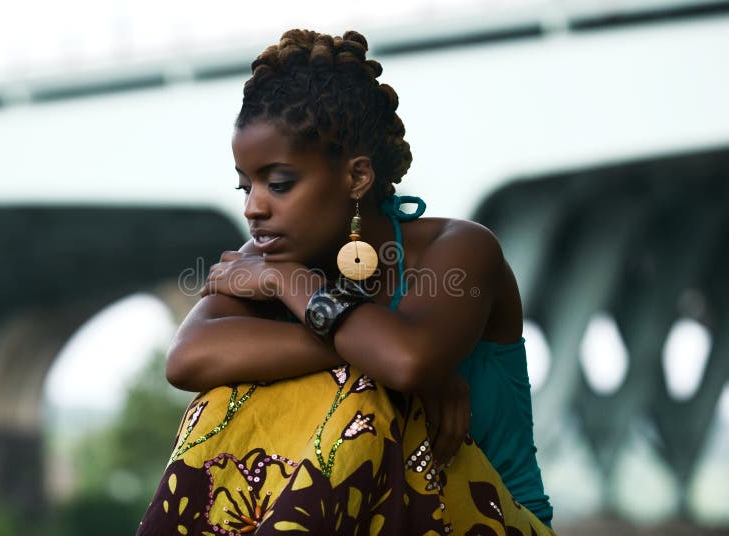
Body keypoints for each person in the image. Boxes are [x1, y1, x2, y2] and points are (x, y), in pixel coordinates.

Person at [136, 29, 554, 535]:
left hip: (490, 521)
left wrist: (289, 283)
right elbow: (188, 358)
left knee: (363, 392)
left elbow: (406, 360)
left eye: (279, 184)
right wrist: (375, 357)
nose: (253, 208)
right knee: (226, 396)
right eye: (246, 186)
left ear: (356, 177)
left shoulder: (459, 248)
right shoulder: (266, 258)